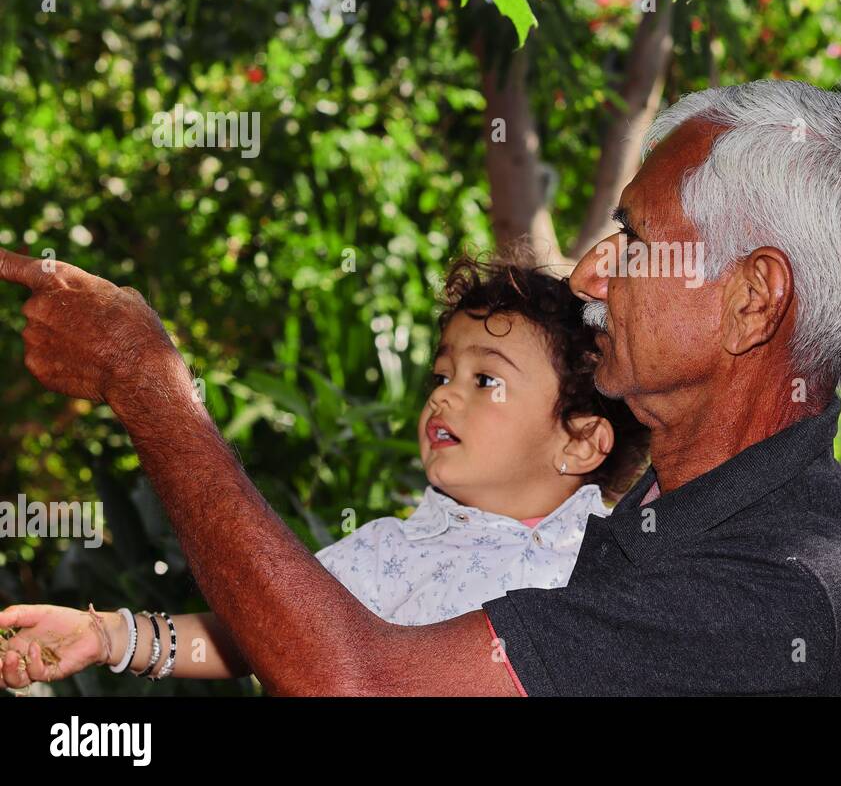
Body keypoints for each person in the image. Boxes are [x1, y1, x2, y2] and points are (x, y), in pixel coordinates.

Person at [0, 79, 841, 695]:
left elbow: (358, 680)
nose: (593, 275)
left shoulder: (788, 584)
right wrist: (125, 635)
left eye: (636, 240)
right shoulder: (665, 508)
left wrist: (149, 385)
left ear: (752, 301)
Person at [0, 254, 647, 684]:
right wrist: (108, 634)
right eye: (443, 374)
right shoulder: (391, 553)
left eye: (485, 379)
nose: (444, 394)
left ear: (582, 442)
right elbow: (260, 630)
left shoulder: (623, 565)